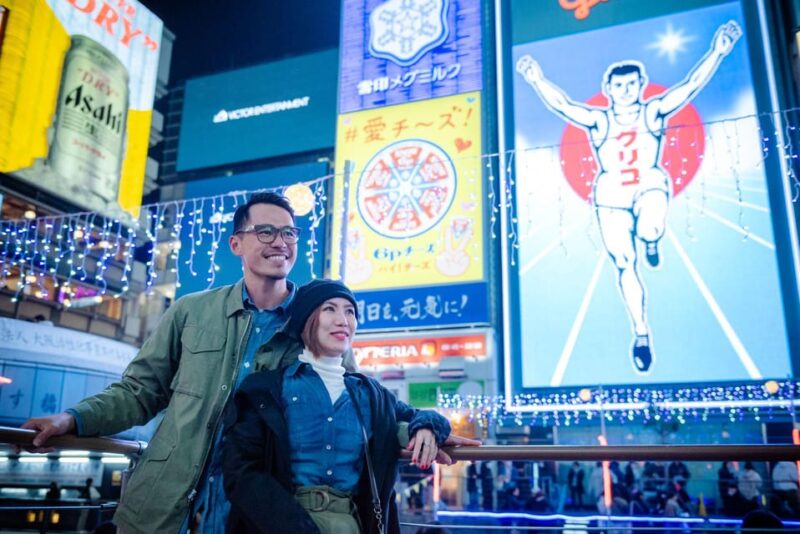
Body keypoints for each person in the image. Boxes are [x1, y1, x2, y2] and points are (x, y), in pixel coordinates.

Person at [19, 192, 476, 534]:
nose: (280, 242)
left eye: (289, 233)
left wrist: (422, 428)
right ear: (237, 243)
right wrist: (73, 418)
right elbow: (141, 392)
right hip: (164, 504)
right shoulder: (190, 312)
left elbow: (356, 406)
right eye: (267, 231)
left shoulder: (317, 323)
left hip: (256, 507)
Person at [516, 21, 742, 373]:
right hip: (610, 194)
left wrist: (717, 51)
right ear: (608, 89)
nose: (625, 90)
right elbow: (562, 105)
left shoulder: (653, 111)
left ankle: (652, 241)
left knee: (651, 228)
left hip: (649, 184)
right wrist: (536, 79)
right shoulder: (599, 120)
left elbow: (691, 86)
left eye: (631, 84)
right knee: (624, 262)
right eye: (618, 85)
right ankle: (641, 332)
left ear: (640, 85)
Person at [220, 279, 451, 533]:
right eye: (330, 309)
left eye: (350, 311)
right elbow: (241, 473)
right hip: (278, 523)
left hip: (352, 523)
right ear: (307, 319)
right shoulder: (265, 389)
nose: (343, 320)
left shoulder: (371, 394)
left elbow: (423, 416)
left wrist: (429, 429)